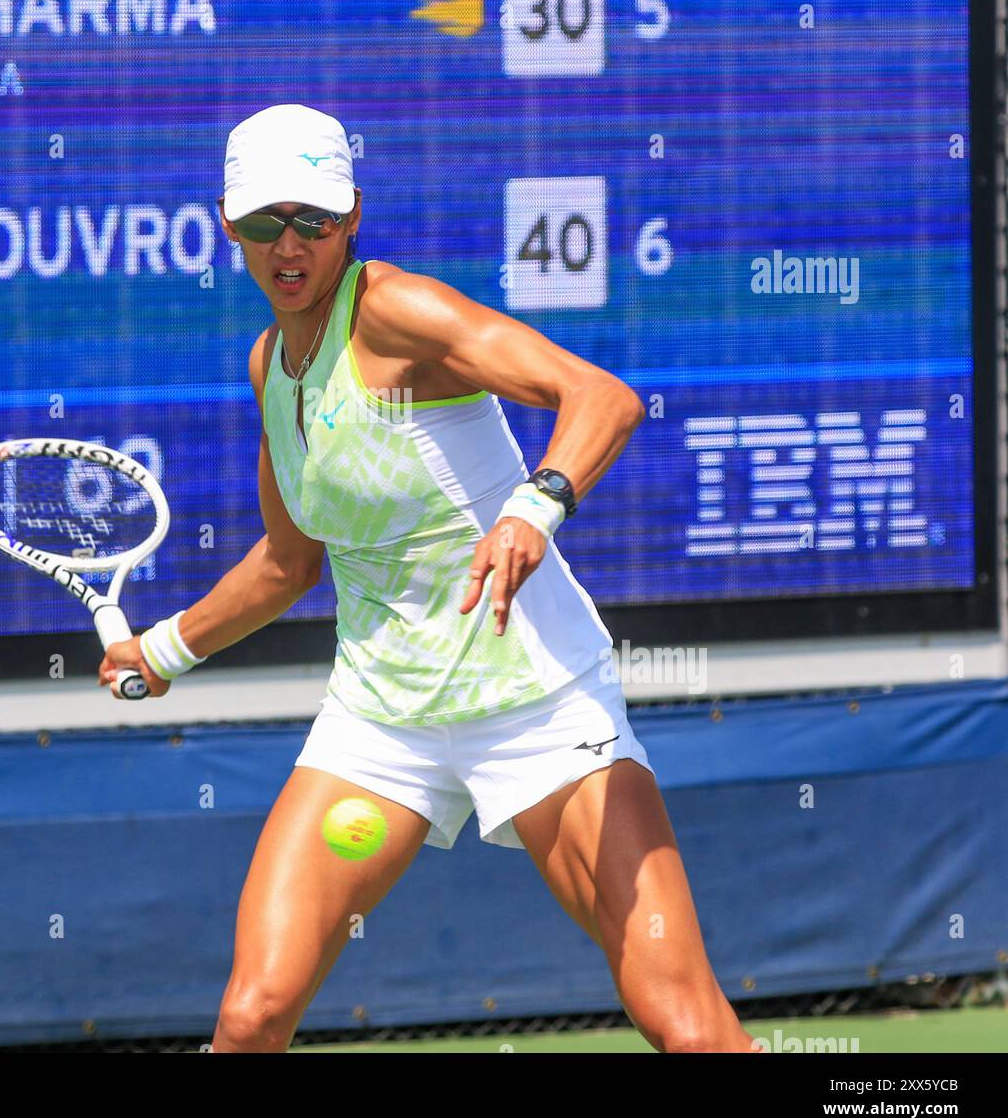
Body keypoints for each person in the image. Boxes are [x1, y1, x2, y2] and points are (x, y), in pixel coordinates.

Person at [100, 104, 758, 1054]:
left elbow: (600, 397)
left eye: (313, 221)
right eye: (262, 224)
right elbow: (288, 563)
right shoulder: (271, 367)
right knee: (250, 1017)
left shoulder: (395, 312)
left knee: (689, 1027)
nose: (288, 245)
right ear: (227, 226)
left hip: (538, 705)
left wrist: (537, 506)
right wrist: (162, 650)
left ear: (352, 217)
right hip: (379, 721)